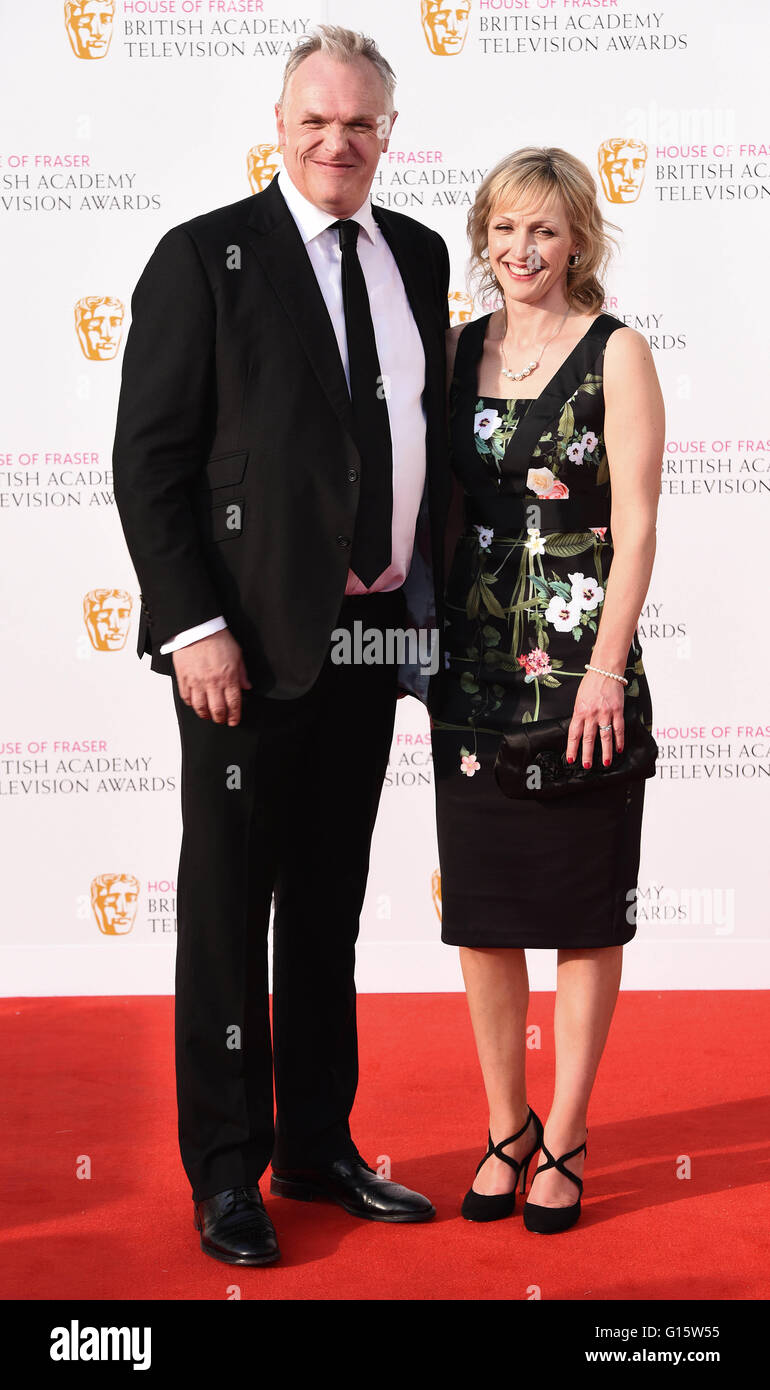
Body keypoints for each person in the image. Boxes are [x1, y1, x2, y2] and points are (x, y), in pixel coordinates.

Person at [112, 24, 451, 1265]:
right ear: (279, 123)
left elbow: (415, 435)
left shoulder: (415, 255)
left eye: (359, 122)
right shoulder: (206, 258)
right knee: (225, 910)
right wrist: (192, 625)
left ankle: (316, 1139)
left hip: (369, 636)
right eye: (315, 119)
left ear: (387, 134)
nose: (336, 141)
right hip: (242, 654)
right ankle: (225, 1175)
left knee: (327, 903)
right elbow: (148, 464)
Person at [429, 147, 664, 1233]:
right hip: (471, 668)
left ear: (577, 243)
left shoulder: (615, 353)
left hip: (580, 670)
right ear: (483, 236)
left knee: (576, 907)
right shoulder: (455, 348)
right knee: (481, 917)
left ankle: (564, 1134)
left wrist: (607, 666)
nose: (519, 251)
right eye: (504, 229)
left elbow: (638, 526)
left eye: (543, 232)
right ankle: (504, 1126)